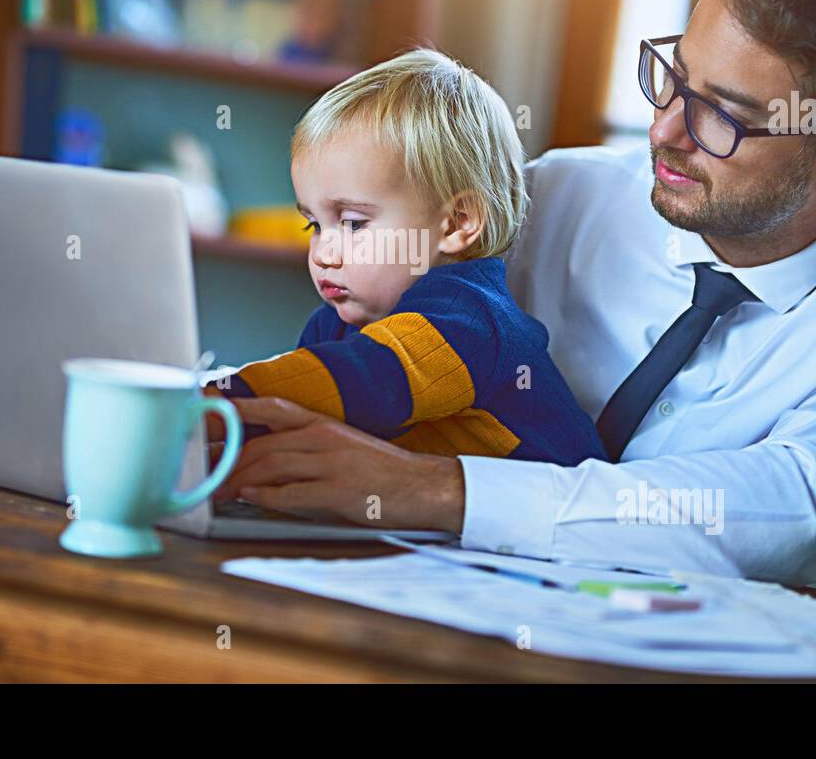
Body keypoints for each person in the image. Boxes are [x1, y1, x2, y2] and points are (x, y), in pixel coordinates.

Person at [216, 0, 816, 595]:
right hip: (445, 618)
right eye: (673, 78)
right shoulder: (559, 192)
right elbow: (376, 335)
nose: (664, 130)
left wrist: (430, 490)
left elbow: (797, 508)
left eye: (723, 118)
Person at [211, 49, 609, 468]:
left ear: (456, 224)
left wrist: (203, 404)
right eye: (314, 225)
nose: (323, 253)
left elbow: (363, 381)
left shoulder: (470, 321)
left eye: (352, 223)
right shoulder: (337, 324)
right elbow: (287, 422)